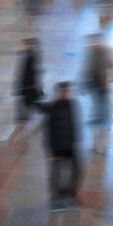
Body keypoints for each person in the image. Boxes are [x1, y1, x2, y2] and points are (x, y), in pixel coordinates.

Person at [41, 83, 80, 211]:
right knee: (56, 173)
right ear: (58, 93)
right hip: (57, 147)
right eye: (63, 92)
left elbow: (73, 124)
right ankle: (55, 199)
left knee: (76, 170)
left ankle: (70, 195)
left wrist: (74, 140)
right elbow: (49, 131)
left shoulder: (71, 104)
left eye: (67, 92)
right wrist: (52, 153)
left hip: (69, 145)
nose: (65, 94)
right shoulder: (53, 107)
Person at [81, 34, 113, 155]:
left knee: (104, 119)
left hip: (104, 89)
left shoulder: (107, 52)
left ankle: (103, 146)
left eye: (94, 43)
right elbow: (87, 70)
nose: (92, 45)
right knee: (98, 118)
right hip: (97, 89)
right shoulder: (91, 53)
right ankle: (96, 146)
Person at [13, 38, 44, 131]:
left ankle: (23, 117)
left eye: (27, 45)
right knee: (28, 101)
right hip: (27, 85)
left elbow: (31, 72)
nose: (25, 46)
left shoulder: (32, 56)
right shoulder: (28, 55)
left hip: (28, 85)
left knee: (28, 101)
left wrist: (28, 85)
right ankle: (23, 116)